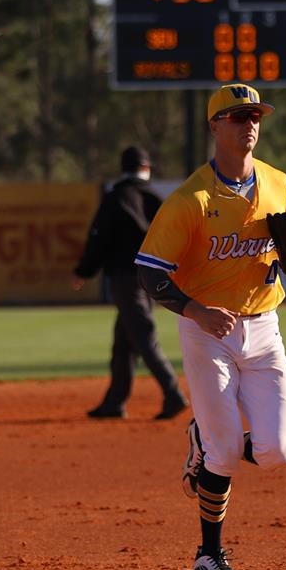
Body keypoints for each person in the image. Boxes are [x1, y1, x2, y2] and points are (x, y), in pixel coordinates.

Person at [134, 84, 286, 570]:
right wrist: (195, 311)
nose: (248, 124)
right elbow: (149, 271)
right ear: (214, 127)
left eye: (254, 115)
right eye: (234, 116)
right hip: (207, 333)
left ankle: (204, 440)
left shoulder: (278, 183)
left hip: (265, 328)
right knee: (226, 452)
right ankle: (210, 556)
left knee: (277, 451)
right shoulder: (191, 199)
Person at [72, 145, 187, 421]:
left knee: (143, 337)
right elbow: (175, 235)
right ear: (146, 169)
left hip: (126, 278)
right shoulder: (156, 198)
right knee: (124, 341)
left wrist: (84, 271)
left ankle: (173, 395)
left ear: (122, 169)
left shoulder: (117, 197)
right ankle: (114, 401)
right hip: (152, 276)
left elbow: (99, 238)